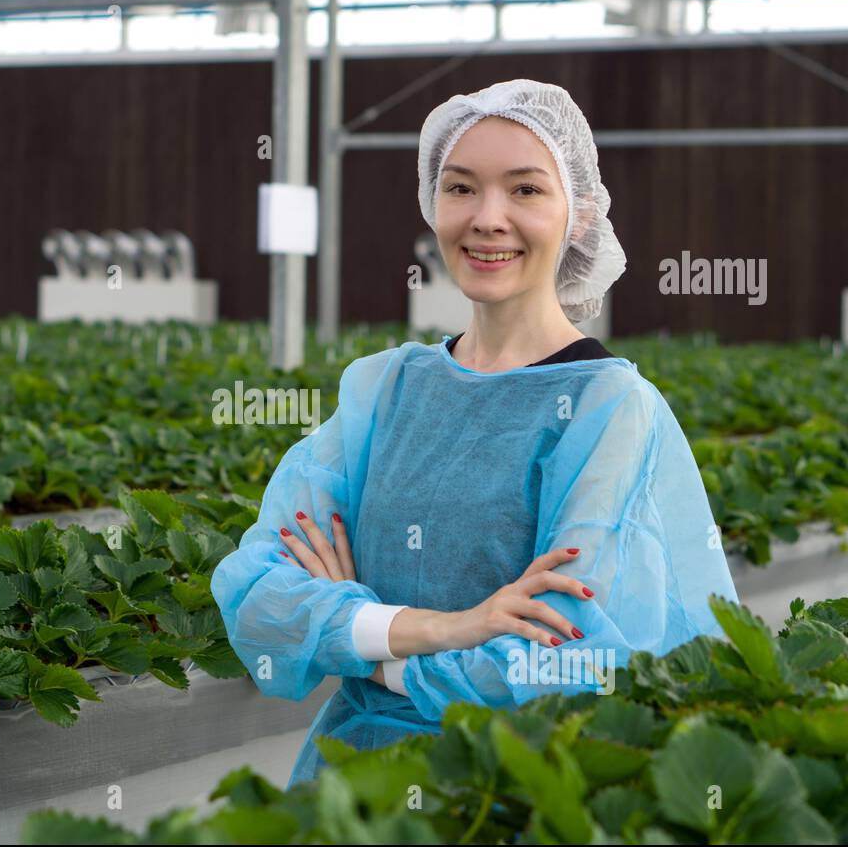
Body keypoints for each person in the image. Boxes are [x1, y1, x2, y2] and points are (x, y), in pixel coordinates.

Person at [210, 79, 740, 789]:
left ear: (577, 214)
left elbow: (566, 660)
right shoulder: (384, 389)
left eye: (525, 190)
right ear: (434, 203)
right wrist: (452, 626)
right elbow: (256, 595)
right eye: (461, 188)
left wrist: (362, 641)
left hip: (506, 791)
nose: (488, 219)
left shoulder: (607, 405)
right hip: (344, 786)